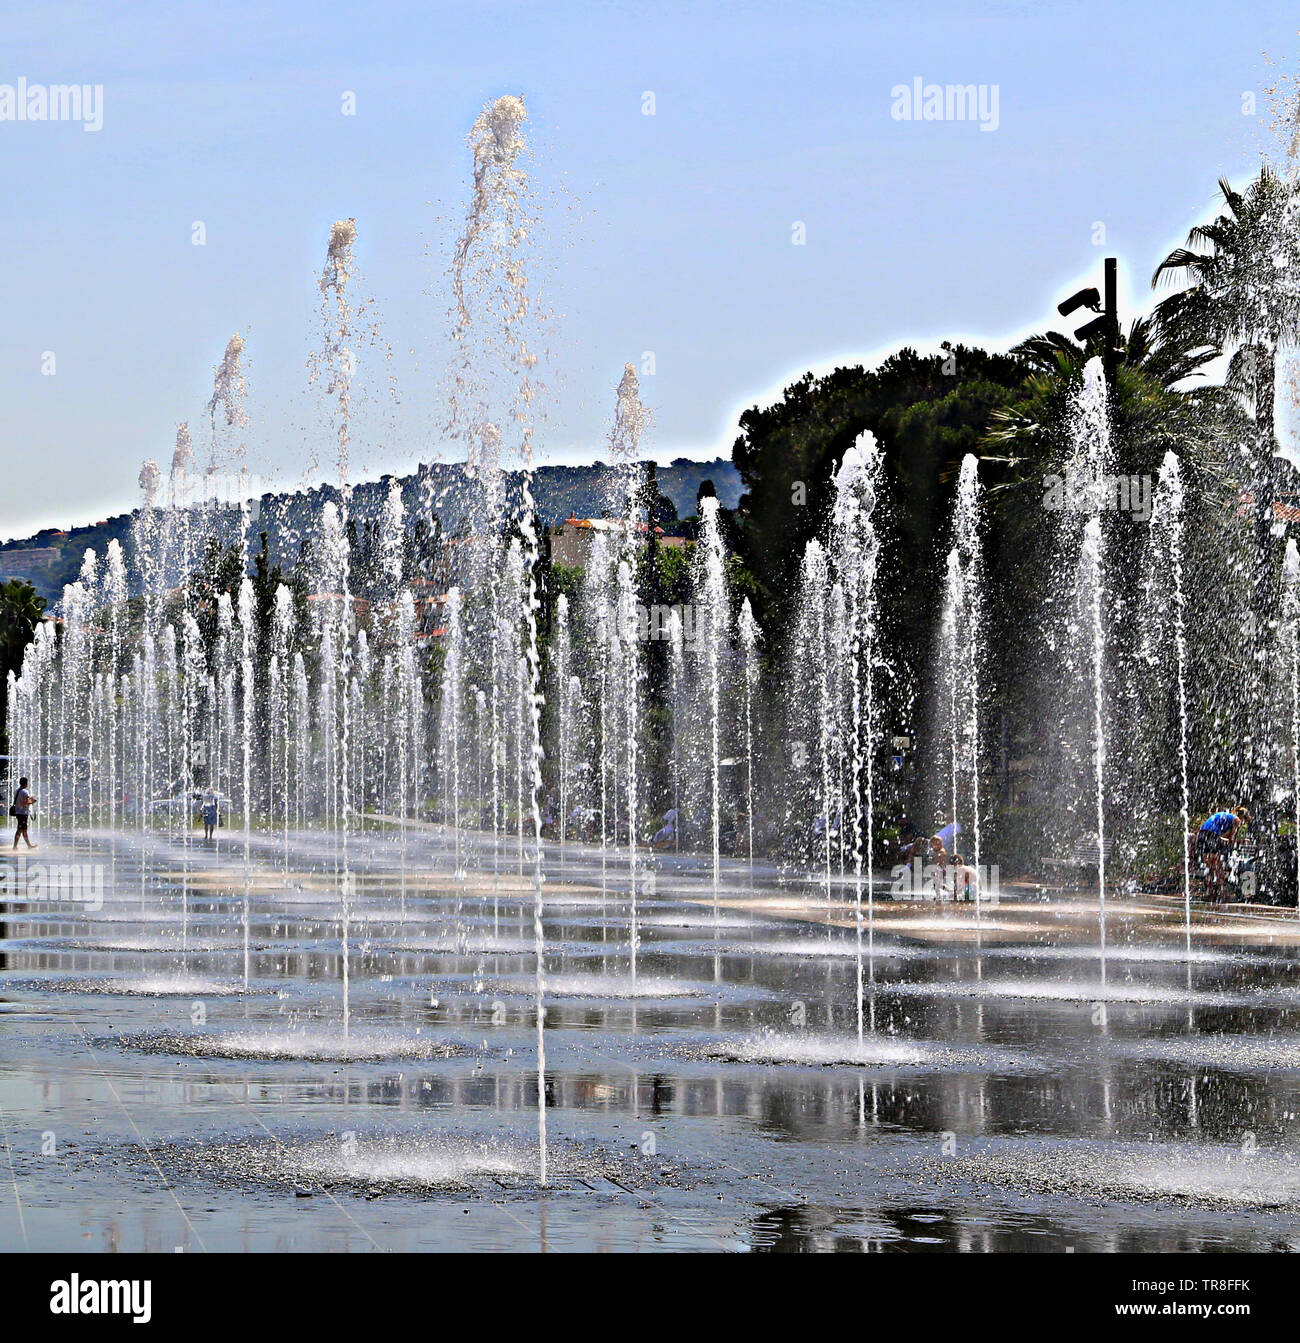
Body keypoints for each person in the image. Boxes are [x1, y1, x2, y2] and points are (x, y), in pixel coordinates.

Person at [1196, 807, 1251, 903]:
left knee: (1210, 867)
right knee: (1217, 866)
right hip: (1211, 835)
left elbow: (1224, 838)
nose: (1242, 824)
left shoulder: (1227, 818)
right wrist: (1241, 841)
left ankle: (1210, 894)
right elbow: (1231, 840)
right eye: (1245, 821)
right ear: (1243, 817)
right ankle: (1223, 894)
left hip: (1202, 834)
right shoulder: (1236, 820)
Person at [11, 777, 35, 850]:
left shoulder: (16, 790)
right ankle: (15, 847)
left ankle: (29, 845)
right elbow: (25, 803)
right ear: (26, 783)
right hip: (22, 813)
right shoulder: (25, 792)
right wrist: (32, 801)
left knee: (24, 829)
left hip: (18, 812)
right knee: (20, 830)